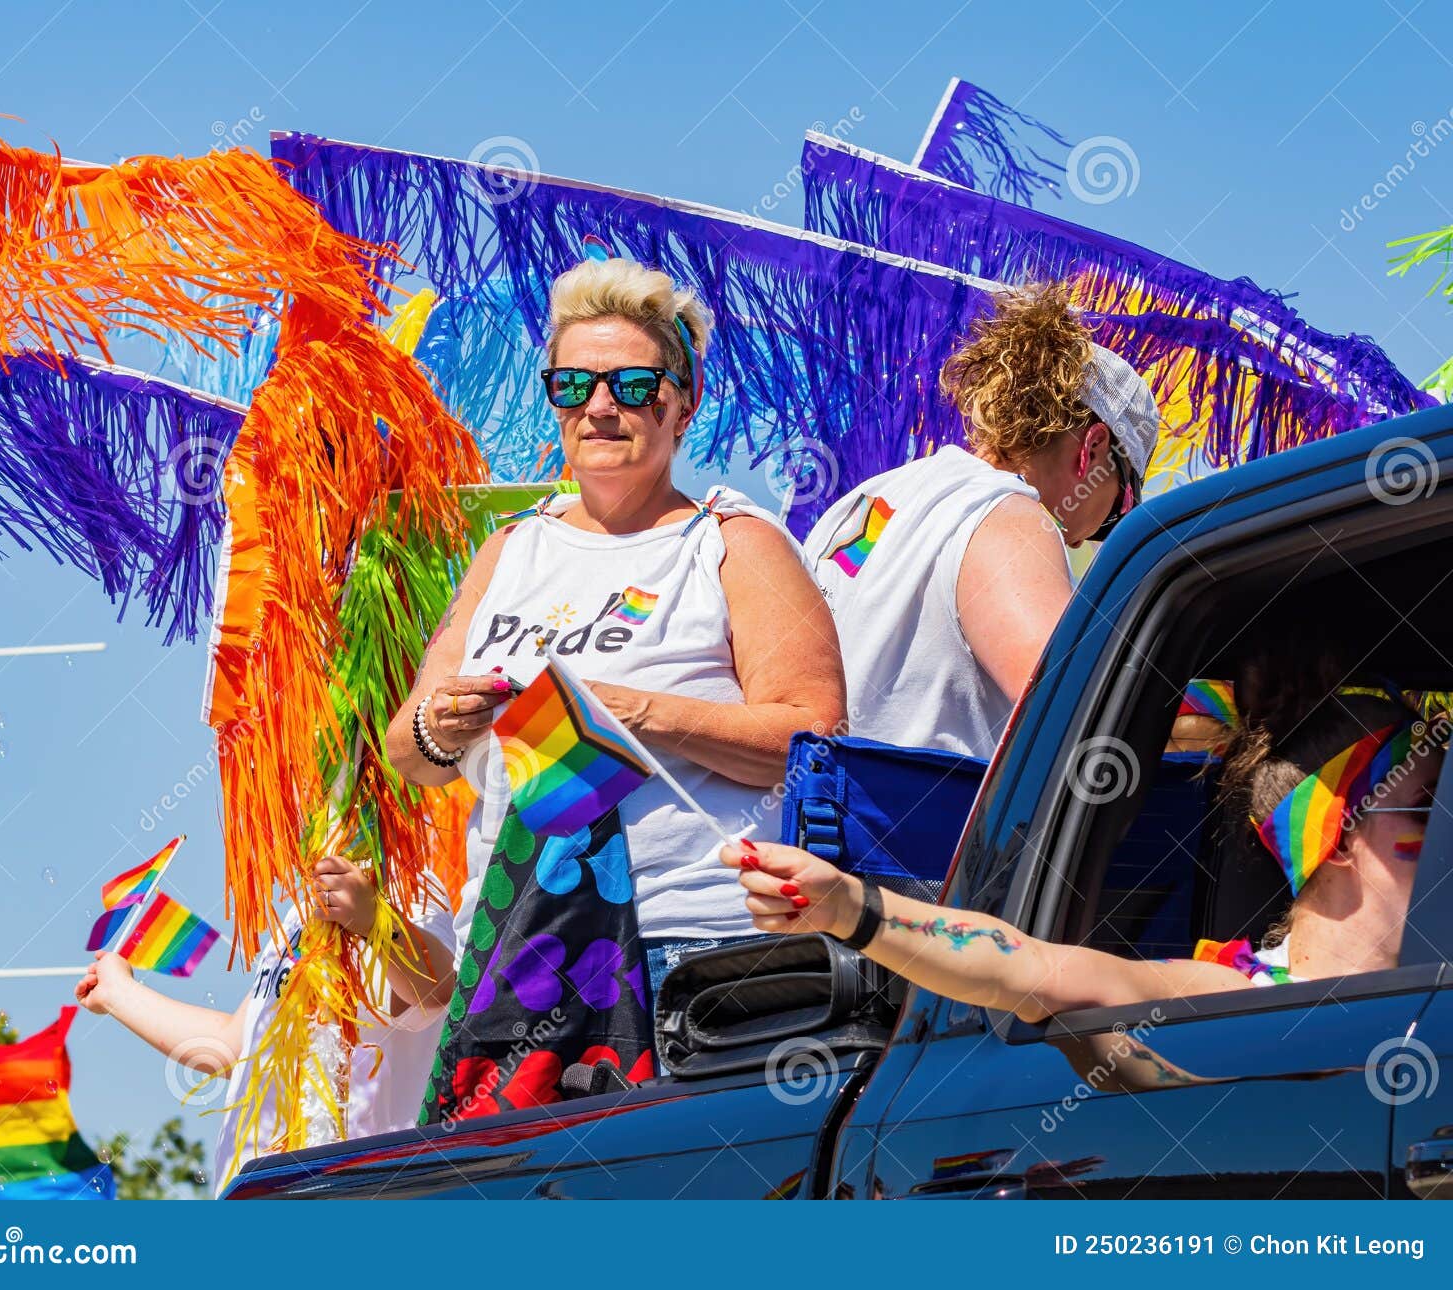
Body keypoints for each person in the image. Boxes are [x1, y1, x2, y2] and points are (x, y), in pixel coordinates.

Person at [384, 254, 845, 1109]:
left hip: (685, 946)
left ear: (683, 399)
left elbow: (812, 739)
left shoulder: (735, 543)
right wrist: (442, 726)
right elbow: (408, 748)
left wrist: (631, 712)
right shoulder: (510, 549)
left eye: (633, 385)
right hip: (518, 947)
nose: (601, 407)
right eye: (574, 386)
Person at [722, 684, 1443, 1017]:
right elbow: (1026, 968)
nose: (1445, 824)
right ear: (1337, 837)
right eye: (1432, 804)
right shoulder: (1242, 998)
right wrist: (853, 907)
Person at [804, 280, 1159, 757]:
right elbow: (1080, 712)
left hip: (820, 821)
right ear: (1092, 449)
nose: (1084, 542)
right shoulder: (1009, 516)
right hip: (923, 828)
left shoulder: (863, 502)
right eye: (1117, 513)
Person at [75, 856, 454, 1193]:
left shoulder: (406, 885)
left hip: (344, 1192)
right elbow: (233, 1048)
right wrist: (118, 993)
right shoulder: (299, 914)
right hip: (254, 1191)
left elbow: (433, 992)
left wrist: (373, 919)